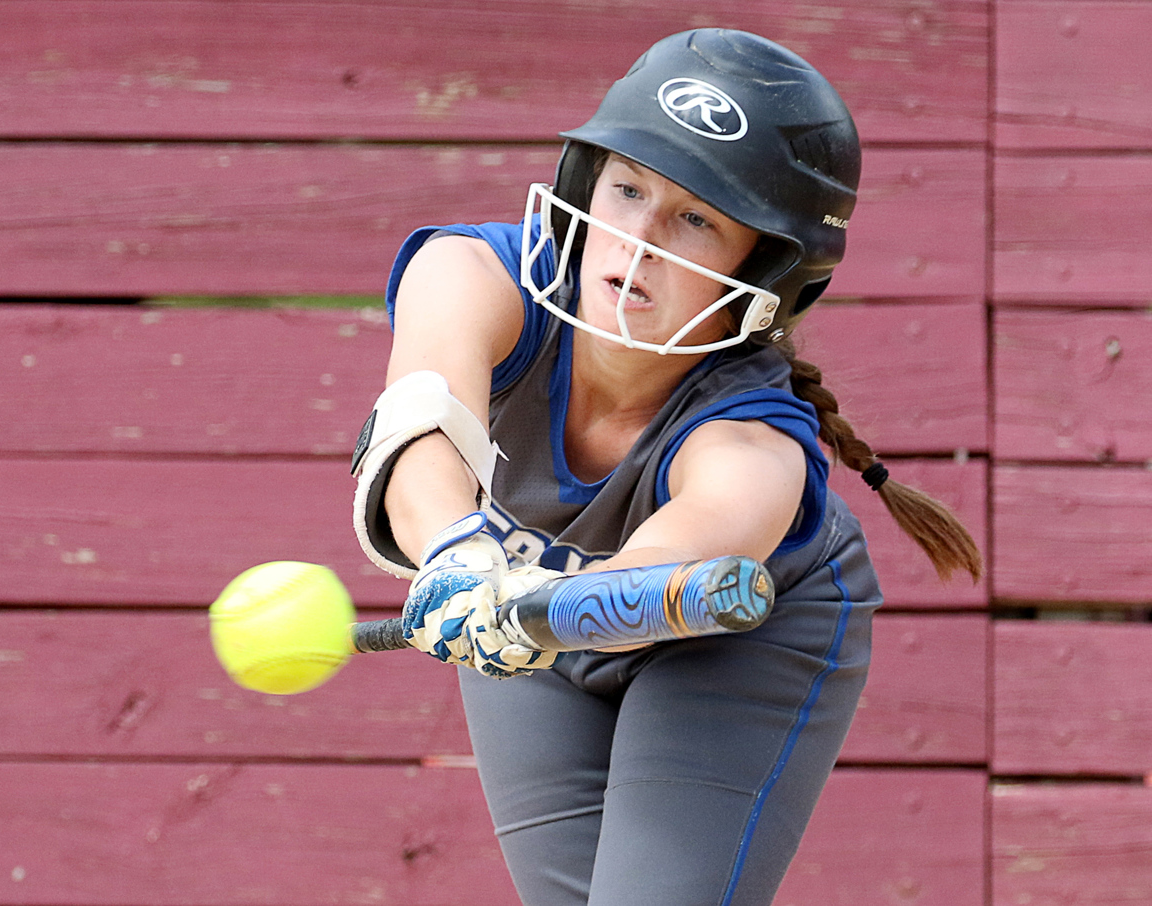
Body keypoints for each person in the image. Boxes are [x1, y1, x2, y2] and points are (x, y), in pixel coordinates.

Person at [349, 28, 982, 906]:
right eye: (626, 188)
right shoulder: (470, 271)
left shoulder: (756, 446)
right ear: (582, 182)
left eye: (694, 219)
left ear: (762, 272)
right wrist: (458, 556)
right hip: (517, 599)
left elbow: (655, 578)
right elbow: (422, 432)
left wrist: (515, 592)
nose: (637, 241)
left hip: (738, 634)